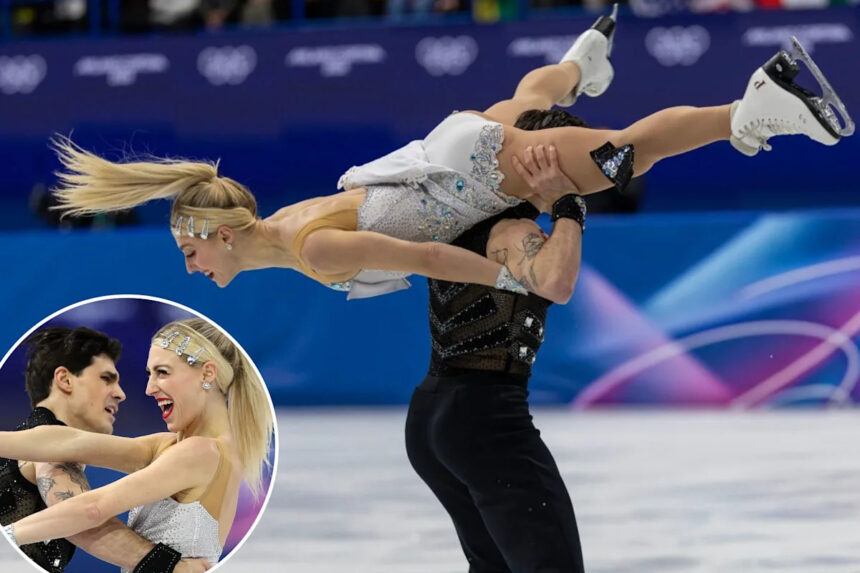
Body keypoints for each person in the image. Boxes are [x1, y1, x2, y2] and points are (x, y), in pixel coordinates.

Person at [50, 12, 852, 302]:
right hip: (456, 148)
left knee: (620, 158)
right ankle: (582, 64)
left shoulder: (311, 246)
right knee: (530, 97)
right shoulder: (287, 231)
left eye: (188, 249)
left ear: (218, 233)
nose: (190, 266)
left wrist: (505, 277)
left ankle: (757, 102)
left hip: (479, 170)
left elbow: (431, 254)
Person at [406, 106, 588, 572]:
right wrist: (568, 205)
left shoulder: (459, 214)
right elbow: (556, 284)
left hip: (433, 414)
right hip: (483, 420)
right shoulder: (510, 230)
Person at [0, 319, 274, 573]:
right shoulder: (172, 446)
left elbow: (92, 509)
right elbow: (71, 442)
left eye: (162, 373)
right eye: (149, 374)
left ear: (208, 373)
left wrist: (8, 536)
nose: (149, 388)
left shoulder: (200, 452)